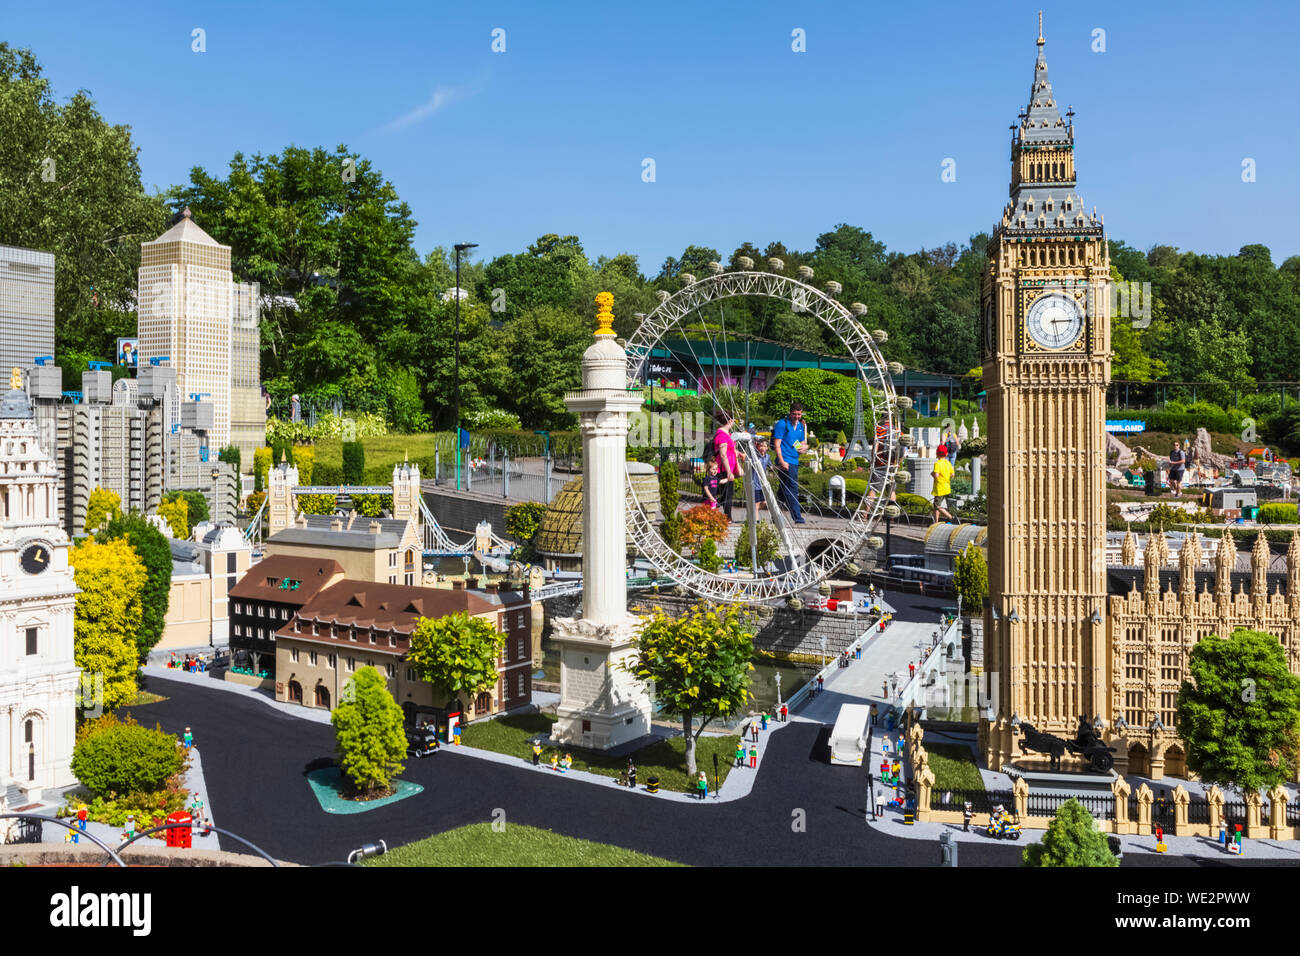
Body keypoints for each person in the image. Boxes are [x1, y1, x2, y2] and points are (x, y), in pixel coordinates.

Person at [771, 402, 807, 524]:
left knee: (783, 491)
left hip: (794, 459)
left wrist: (802, 447)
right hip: (786, 460)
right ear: (790, 413)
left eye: (799, 414)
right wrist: (781, 461)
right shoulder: (782, 424)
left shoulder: (800, 426)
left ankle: (775, 516)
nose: (797, 417)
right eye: (795, 414)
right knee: (792, 488)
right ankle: (797, 517)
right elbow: (777, 444)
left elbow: (796, 441)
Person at [711, 410, 740, 520]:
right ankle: (727, 518)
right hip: (723, 470)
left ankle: (720, 516)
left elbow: (729, 451)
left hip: (727, 468)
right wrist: (729, 472)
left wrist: (739, 454)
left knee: (724, 495)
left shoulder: (727, 434)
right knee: (727, 495)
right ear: (730, 420)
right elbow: (723, 455)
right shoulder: (722, 435)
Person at [931, 445, 955, 523]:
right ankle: (935, 523)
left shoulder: (937, 463)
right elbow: (952, 475)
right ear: (946, 454)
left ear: (937, 453)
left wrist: (932, 473)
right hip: (947, 487)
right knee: (936, 507)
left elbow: (936, 475)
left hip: (939, 488)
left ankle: (951, 517)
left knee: (936, 506)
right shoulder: (948, 463)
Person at [752, 438, 771, 511]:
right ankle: (756, 520)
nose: (762, 448)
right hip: (755, 483)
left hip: (762, 484)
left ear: (767, 448)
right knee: (757, 503)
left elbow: (770, 466)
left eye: (764, 446)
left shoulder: (767, 457)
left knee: (764, 502)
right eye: (760, 446)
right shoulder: (755, 456)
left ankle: (753, 513)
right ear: (757, 447)